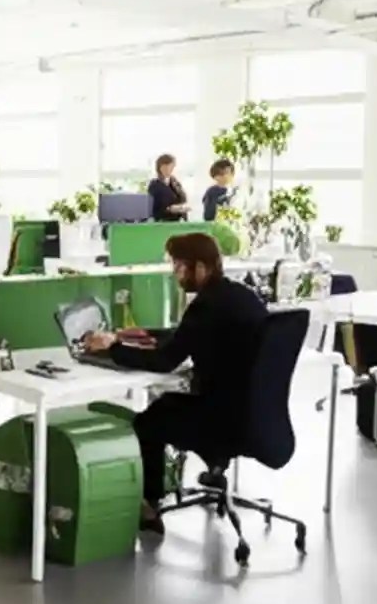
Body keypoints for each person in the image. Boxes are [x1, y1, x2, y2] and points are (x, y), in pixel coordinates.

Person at [84, 233, 266, 534]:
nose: (175, 273)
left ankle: (149, 508)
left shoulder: (205, 306)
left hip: (219, 415)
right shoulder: (240, 296)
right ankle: (215, 465)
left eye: (178, 266)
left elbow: (164, 361)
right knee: (172, 406)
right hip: (251, 413)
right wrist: (137, 335)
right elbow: (189, 335)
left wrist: (112, 349)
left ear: (198, 267)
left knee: (148, 422)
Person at [147, 154, 190, 222]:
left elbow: (183, 198)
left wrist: (181, 207)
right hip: (163, 221)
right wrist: (170, 208)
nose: (172, 169)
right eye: (170, 166)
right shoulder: (155, 184)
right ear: (161, 167)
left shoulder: (174, 182)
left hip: (178, 220)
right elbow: (156, 206)